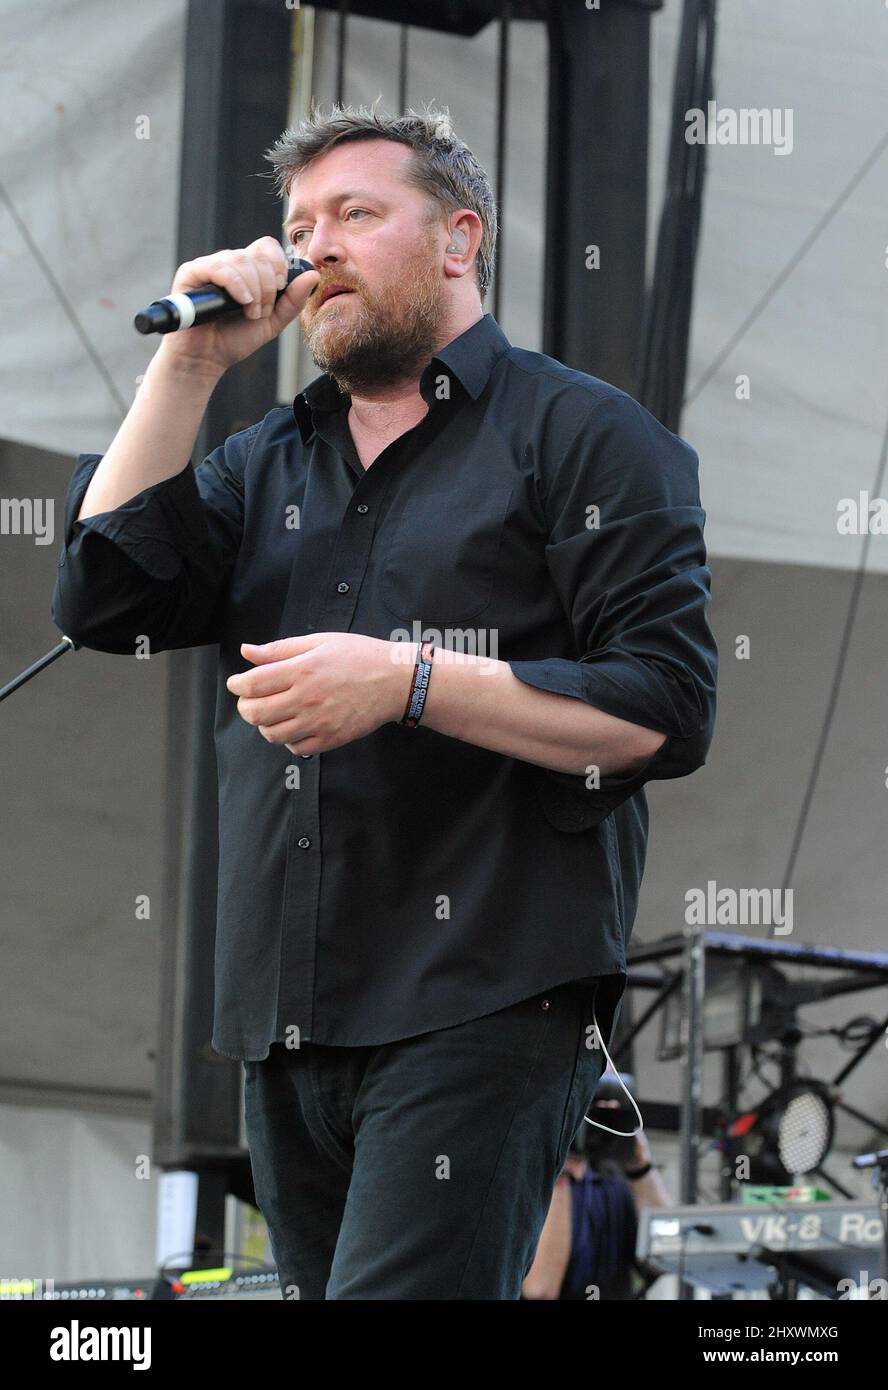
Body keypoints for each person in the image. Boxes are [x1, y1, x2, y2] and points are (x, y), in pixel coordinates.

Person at [51, 101, 718, 1300]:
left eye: (357, 214)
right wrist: (190, 361)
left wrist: (411, 681)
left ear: (459, 241)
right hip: (289, 1008)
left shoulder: (583, 435)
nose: (316, 248)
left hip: (487, 992)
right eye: (300, 223)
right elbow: (103, 597)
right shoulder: (267, 459)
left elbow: (665, 702)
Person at [522, 1082, 673, 1300]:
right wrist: (561, 1171)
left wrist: (641, 1167)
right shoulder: (532, 1185)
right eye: (597, 1112)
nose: (604, 1126)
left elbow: (668, 1254)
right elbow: (541, 1290)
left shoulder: (616, 1188)